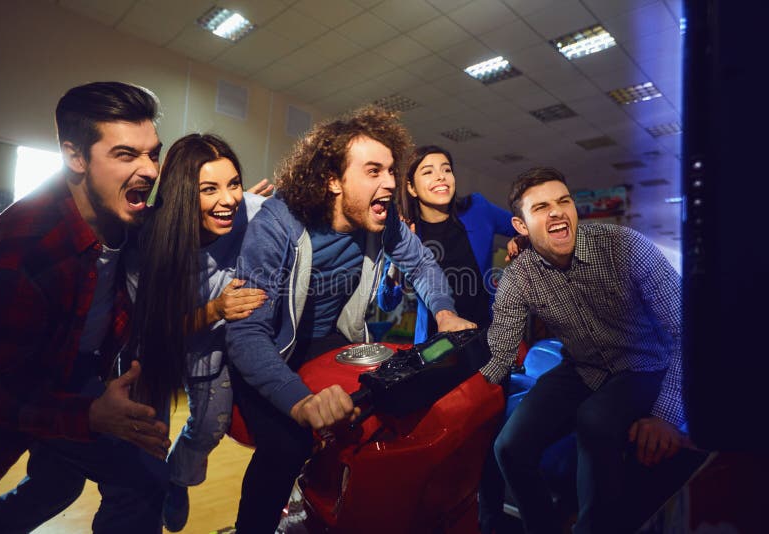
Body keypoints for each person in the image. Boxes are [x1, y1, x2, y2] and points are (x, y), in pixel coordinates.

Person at [225, 106, 476, 533]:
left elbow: (423, 267)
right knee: (288, 445)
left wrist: (447, 315)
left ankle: (321, 503)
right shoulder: (278, 223)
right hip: (270, 347)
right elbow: (247, 333)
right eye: (374, 170)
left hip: (326, 339)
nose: (392, 183)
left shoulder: (381, 220)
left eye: (392, 171)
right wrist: (301, 402)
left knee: (380, 410)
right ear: (333, 180)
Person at [0, 81, 170, 533]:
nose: (149, 170)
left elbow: (178, 220)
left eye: (152, 153)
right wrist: (90, 415)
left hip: (80, 368)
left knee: (56, 487)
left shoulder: (127, 217)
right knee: (142, 479)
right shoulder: (22, 243)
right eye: (125, 155)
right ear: (76, 157)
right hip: (26, 383)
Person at [482, 167, 687, 534]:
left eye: (563, 201)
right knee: (508, 448)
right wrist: (462, 396)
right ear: (521, 226)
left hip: (643, 365)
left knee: (594, 419)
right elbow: (500, 353)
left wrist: (666, 415)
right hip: (582, 367)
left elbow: (688, 330)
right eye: (541, 207)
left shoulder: (626, 247)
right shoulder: (519, 276)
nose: (557, 212)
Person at [123, 133, 267, 531]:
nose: (229, 199)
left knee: (209, 426)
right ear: (185, 195)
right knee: (143, 454)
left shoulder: (249, 210)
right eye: (210, 189)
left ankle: (179, 477)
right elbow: (153, 329)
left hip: (215, 348)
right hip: (158, 349)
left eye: (233, 183)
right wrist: (215, 309)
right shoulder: (151, 243)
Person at [377, 144, 519, 343]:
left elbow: (524, 226)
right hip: (434, 343)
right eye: (428, 171)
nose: (441, 176)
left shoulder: (478, 209)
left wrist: (520, 238)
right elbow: (387, 302)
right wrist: (396, 260)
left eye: (447, 169)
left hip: (487, 336)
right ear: (411, 187)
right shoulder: (405, 231)